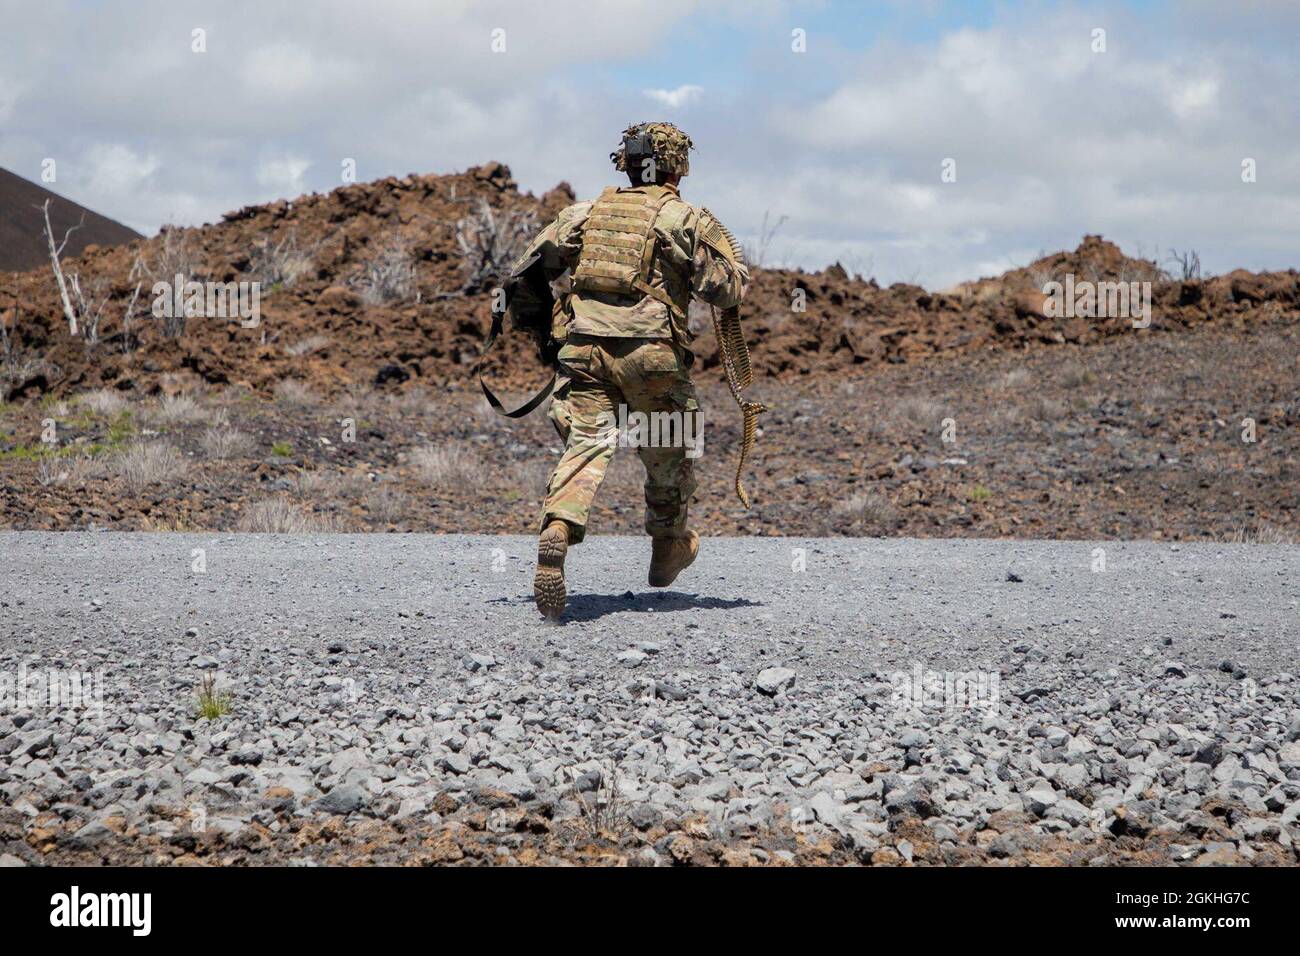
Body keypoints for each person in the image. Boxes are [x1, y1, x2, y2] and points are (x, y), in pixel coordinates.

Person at [508, 122, 750, 619]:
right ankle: (669, 545)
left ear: (626, 162)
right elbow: (727, 291)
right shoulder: (685, 219)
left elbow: (524, 274)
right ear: (678, 165)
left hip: (585, 354)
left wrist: (544, 339)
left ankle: (558, 525)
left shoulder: (582, 213)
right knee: (669, 449)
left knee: (586, 443)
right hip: (653, 359)